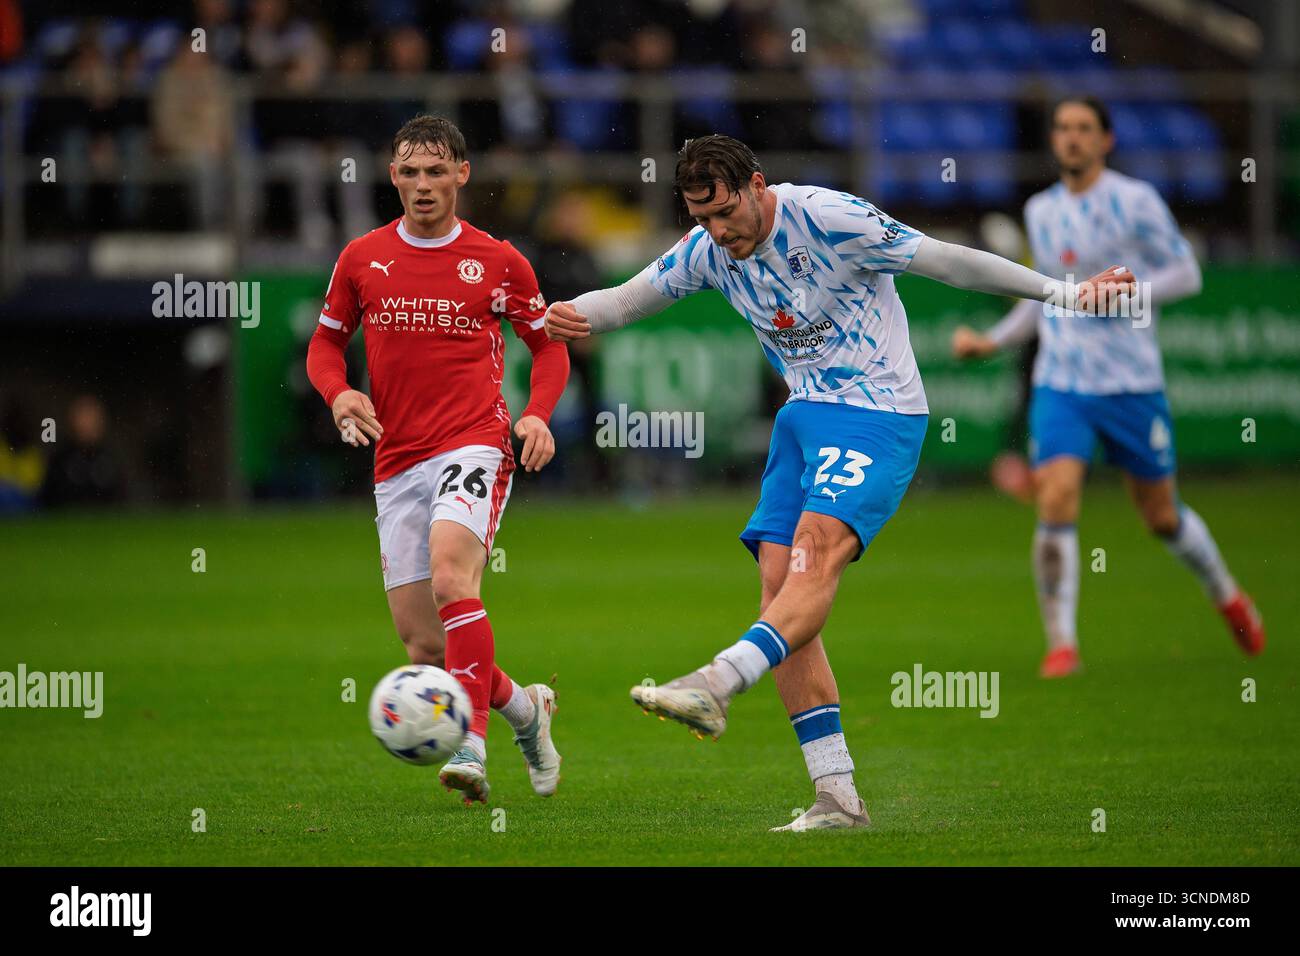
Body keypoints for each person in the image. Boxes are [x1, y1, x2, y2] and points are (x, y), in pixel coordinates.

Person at [545, 134, 1134, 831]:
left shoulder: (829, 218)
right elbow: (620, 303)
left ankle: (716, 681)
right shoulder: (709, 249)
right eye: (702, 219)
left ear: (758, 185)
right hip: (803, 419)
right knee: (778, 585)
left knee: (814, 555)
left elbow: (948, 261)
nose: (717, 231)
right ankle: (837, 797)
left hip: (876, 413)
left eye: (726, 212)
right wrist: (526, 314)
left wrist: (1063, 293)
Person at [951, 96, 1265, 678]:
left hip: (1131, 384)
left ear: (1106, 140)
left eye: (1083, 129)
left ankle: (1227, 594)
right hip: (1062, 382)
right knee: (1056, 497)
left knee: (1161, 517)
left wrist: (1132, 293)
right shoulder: (1040, 210)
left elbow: (1187, 273)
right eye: (1063, 128)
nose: (1071, 138)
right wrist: (993, 341)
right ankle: (1062, 644)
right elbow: (1044, 297)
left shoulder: (1136, 200)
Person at [306, 115, 570, 805]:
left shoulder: (500, 260)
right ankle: (526, 711)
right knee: (425, 648)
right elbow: (325, 346)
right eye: (409, 172)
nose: (423, 185)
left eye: (436, 171)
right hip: (396, 460)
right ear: (393, 176)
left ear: (462, 174)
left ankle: (474, 747)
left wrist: (537, 412)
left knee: (456, 581)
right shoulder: (361, 258)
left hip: (474, 441)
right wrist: (338, 395)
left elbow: (548, 346)